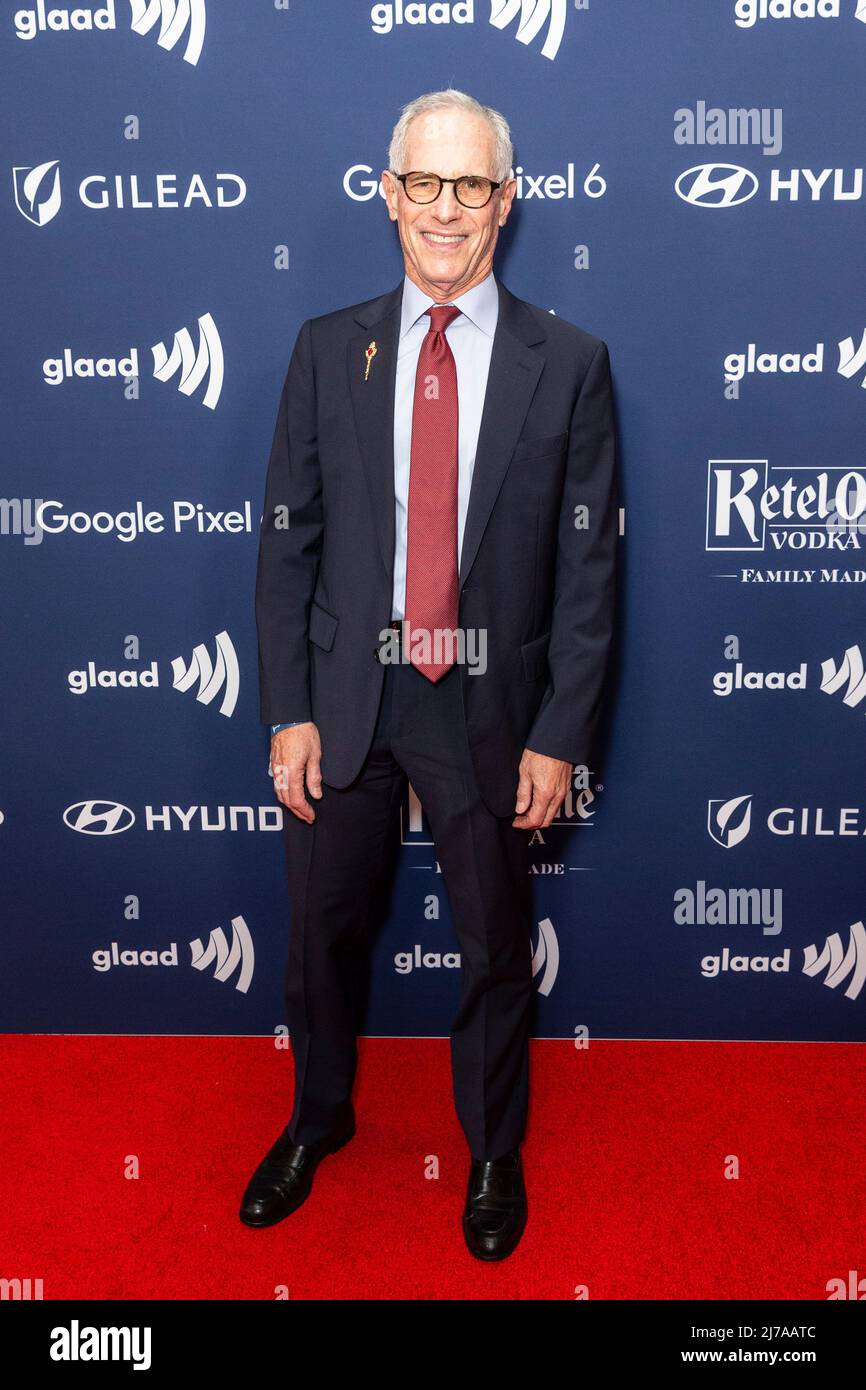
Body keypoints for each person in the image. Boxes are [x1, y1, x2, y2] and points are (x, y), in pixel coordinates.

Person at [243, 87, 619, 1261]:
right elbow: (286, 545)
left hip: (489, 706)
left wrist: (558, 735)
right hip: (349, 692)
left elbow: (588, 576)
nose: (443, 210)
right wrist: (290, 711)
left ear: (503, 205)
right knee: (317, 936)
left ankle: (492, 1149)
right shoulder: (324, 349)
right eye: (423, 183)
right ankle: (318, 1117)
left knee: (495, 945)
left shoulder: (570, 364)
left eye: (470, 186)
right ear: (389, 193)